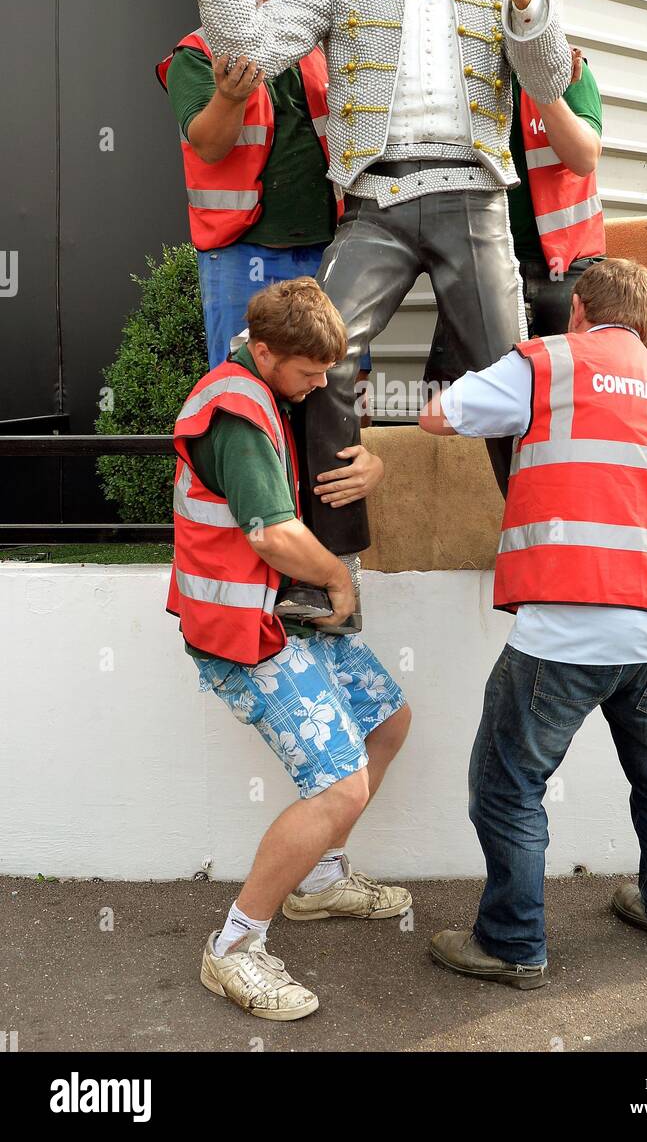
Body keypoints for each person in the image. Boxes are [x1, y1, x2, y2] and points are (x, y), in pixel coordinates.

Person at [122, 0, 575, 631]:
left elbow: (548, 80)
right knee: (316, 358)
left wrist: (528, 2)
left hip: (473, 197)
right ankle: (330, 567)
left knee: (512, 377)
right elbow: (252, 45)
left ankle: (544, 549)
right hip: (377, 201)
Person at [418, 259, 647, 987]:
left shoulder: (547, 361)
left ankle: (513, 944)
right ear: (645, 324)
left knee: (508, 784)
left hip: (566, 627)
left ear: (578, 309)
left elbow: (441, 414)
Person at [167, 276, 411, 1020]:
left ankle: (320, 880)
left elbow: (322, 470)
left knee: (386, 721)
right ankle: (234, 947)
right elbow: (270, 532)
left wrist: (372, 461)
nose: (318, 386)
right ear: (264, 351)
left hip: (285, 617)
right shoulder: (235, 411)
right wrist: (337, 576)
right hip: (248, 632)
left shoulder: (275, 388)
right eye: (308, 373)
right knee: (340, 785)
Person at [157, 0, 374, 375]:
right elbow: (210, 147)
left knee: (338, 379)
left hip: (326, 246)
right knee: (242, 380)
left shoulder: (311, 46)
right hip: (242, 249)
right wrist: (230, 97)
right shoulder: (194, 54)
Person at [423, 45, 604, 386]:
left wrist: (544, 86)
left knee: (569, 388)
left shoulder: (564, 68)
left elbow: (584, 158)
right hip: (485, 266)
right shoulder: (464, 78)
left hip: (565, 267)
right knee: (445, 387)